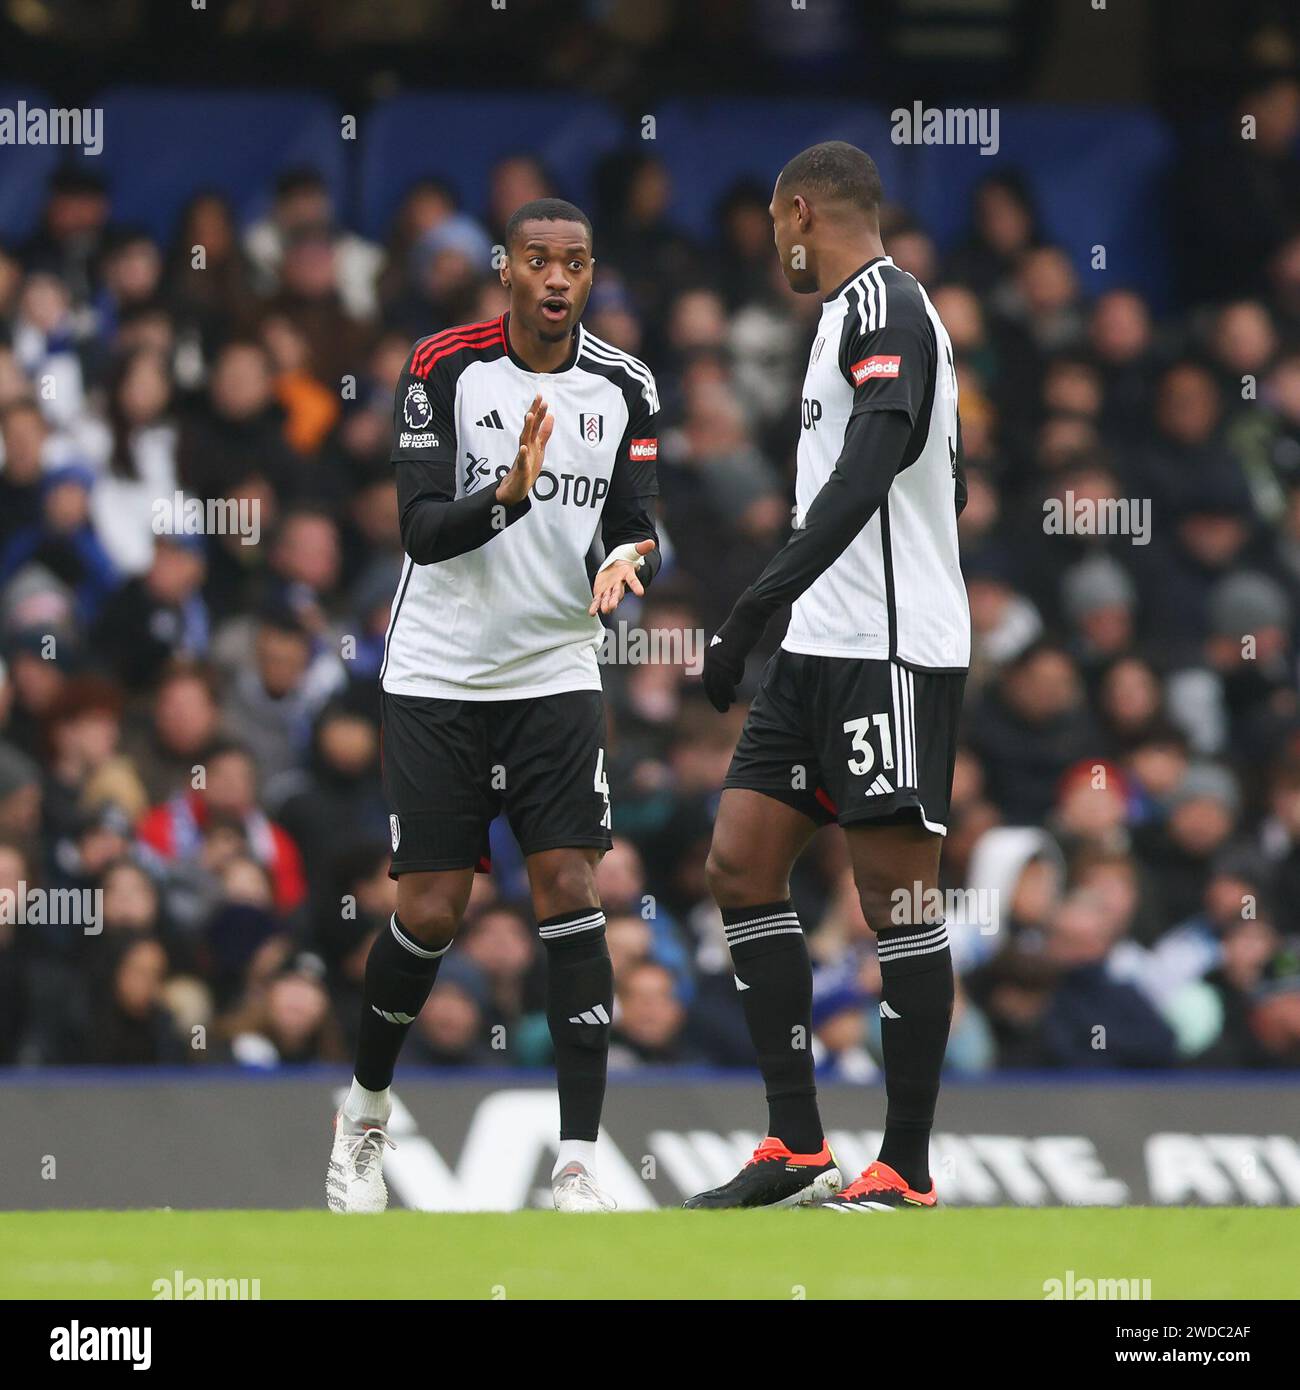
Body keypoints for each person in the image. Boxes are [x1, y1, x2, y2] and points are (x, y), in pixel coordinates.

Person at [326, 198, 661, 1214]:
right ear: (504, 269)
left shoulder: (625, 386)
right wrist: (509, 492)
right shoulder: (443, 368)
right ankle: (365, 1113)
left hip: (556, 666)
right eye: (537, 261)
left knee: (568, 886)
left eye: (575, 262)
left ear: (590, 272)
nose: (557, 279)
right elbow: (423, 530)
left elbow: (635, 519)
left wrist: (627, 557)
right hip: (439, 670)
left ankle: (575, 1165)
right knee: (429, 909)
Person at [689, 142, 969, 1212]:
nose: (776, 246)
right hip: (822, 646)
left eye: (774, 225)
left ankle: (904, 1163)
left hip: (886, 650)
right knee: (738, 861)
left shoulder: (884, 306)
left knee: (895, 896)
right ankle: (797, 1143)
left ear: (798, 210)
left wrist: (753, 602)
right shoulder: (842, 319)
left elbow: (876, 460)